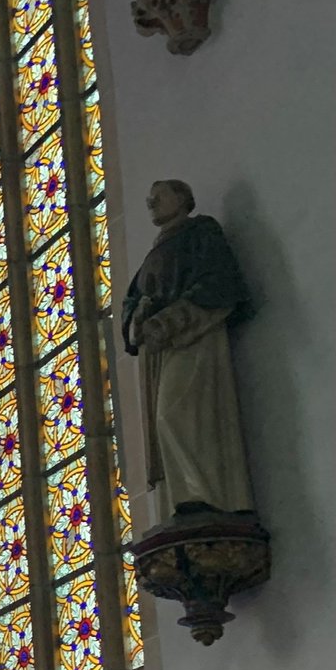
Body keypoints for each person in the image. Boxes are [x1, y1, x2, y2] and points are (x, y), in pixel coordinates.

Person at [121, 179, 255, 518]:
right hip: (160, 350)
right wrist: (140, 316)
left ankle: (206, 496)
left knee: (176, 415)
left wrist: (170, 320)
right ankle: (181, 501)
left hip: (194, 337)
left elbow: (220, 283)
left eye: (159, 196)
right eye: (149, 198)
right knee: (166, 421)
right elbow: (133, 302)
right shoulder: (154, 254)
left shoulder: (200, 233)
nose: (151, 203)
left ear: (183, 199)